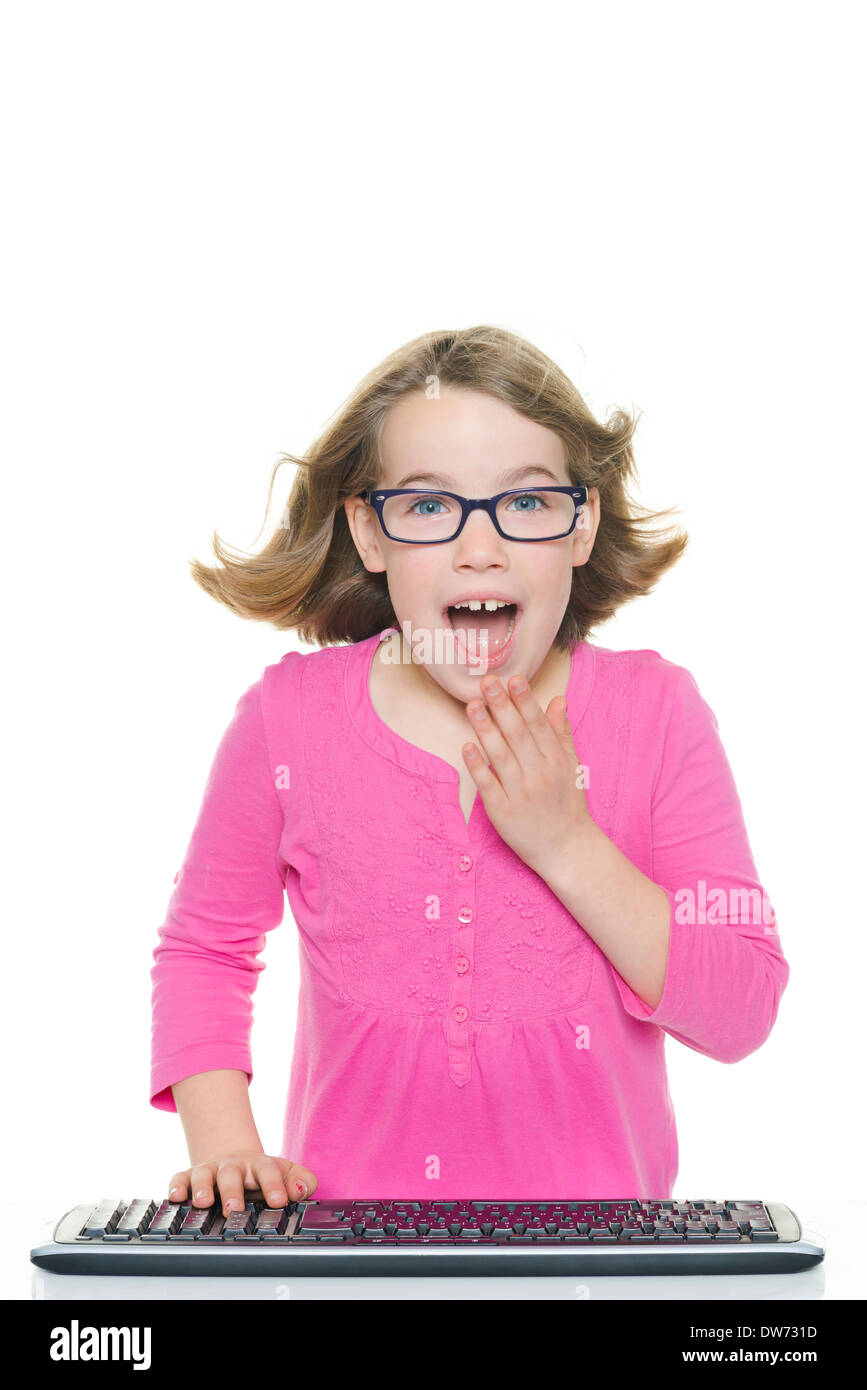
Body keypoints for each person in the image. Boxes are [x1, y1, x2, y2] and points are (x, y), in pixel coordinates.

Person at [150, 324, 788, 1215]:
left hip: (604, 1266)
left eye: (526, 505)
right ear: (371, 534)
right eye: (427, 507)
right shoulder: (285, 721)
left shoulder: (660, 714)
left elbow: (741, 1009)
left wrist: (566, 843)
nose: (479, 548)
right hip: (348, 1262)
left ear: (582, 525)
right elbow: (203, 950)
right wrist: (225, 1147)